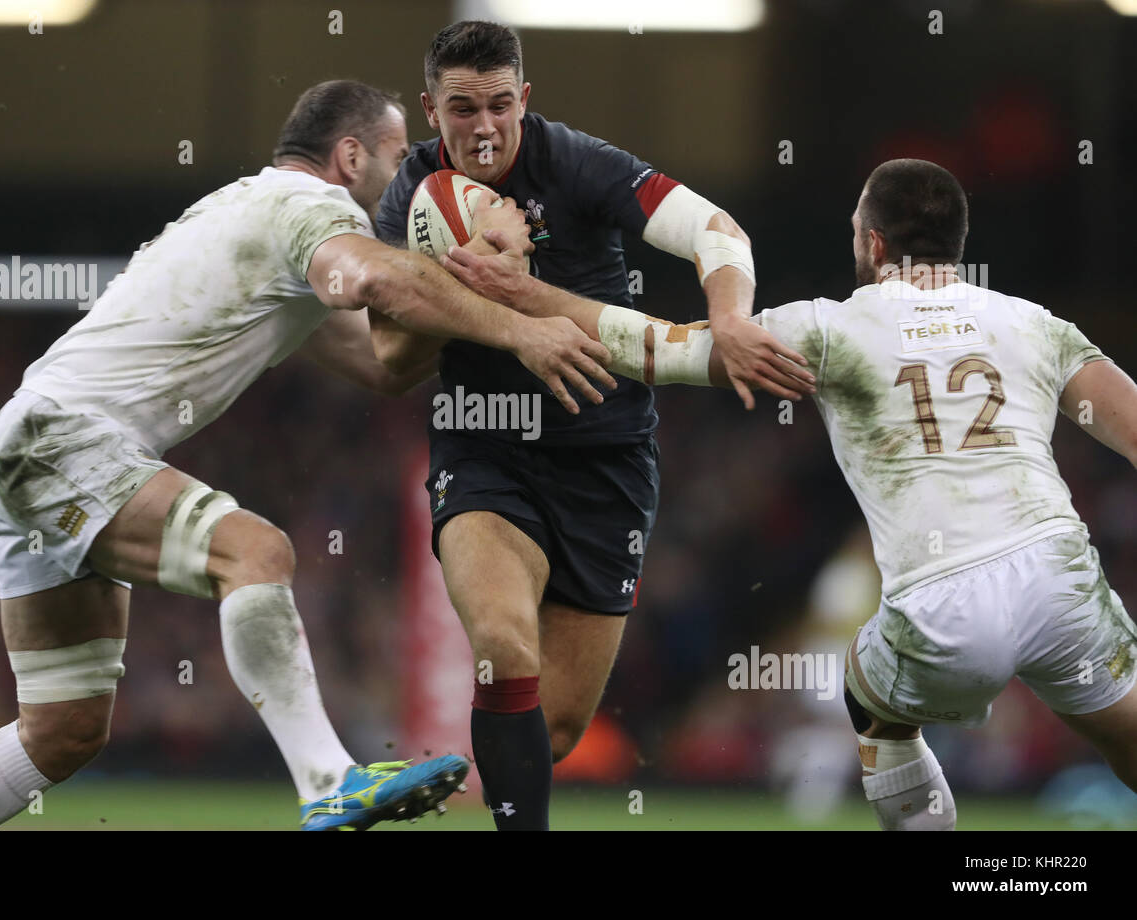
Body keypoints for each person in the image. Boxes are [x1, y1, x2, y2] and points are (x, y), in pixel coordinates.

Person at [0, 79, 613, 832]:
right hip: (65, 443)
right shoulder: (313, 210)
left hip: (34, 444)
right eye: (400, 158)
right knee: (255, 552)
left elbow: (384, 364)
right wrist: (517, 326)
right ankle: (327, 780)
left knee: (62, 730)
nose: (410, 178)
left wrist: (485, 291)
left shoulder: (261, 218)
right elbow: (373, 276)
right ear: (349, 155)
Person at [445, 157, 1137, 830]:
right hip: (1056, 576)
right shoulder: (1037, 324)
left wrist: (525, 294)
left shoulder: (829, 327)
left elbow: (657, 350)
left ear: (871, 241)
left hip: (942, 601)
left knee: (874, 710)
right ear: (958, 245)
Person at [372, 20, 814, 830]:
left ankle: (432, 781)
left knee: (559, 729)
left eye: (499, 105)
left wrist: (732, 317)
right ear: (431, 109)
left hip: (604, 457)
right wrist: (454, 289)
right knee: (505, 647)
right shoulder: (410, 195)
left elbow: (715, 230)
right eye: (461, 108)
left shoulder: (576, 163)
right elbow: (391, 361)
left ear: (524, 100)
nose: (483, 127)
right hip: (484, 445)